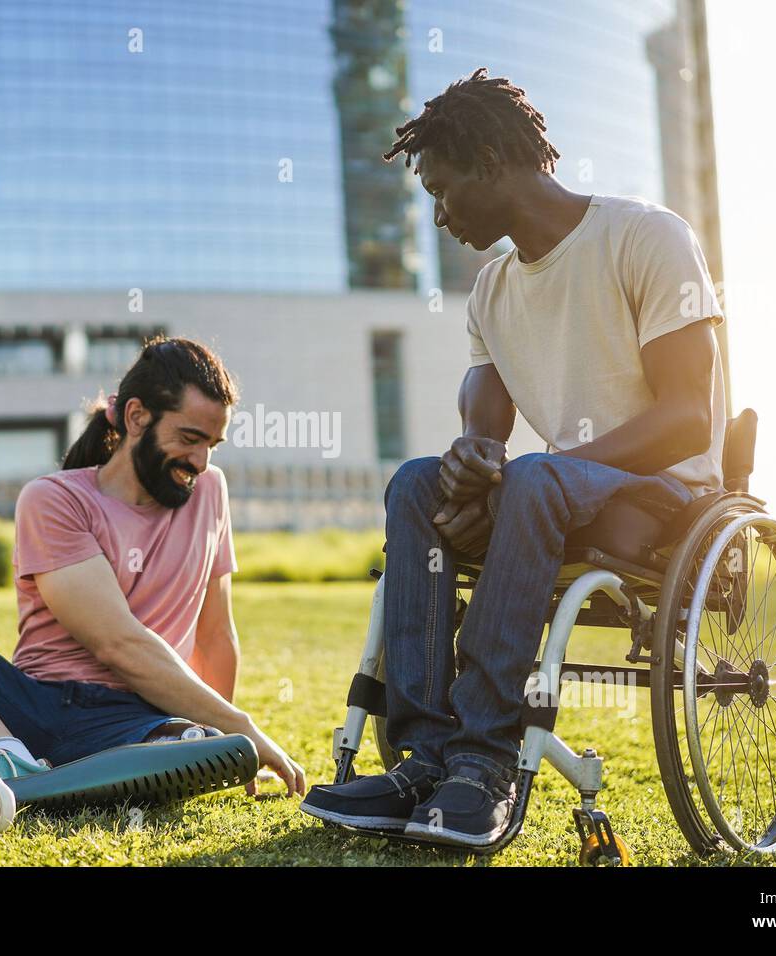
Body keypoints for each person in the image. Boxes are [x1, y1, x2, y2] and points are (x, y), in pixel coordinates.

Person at [302, 68, 725, 850]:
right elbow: (484, 415)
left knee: (537, 477)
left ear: (492, 159)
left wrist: (527, 476)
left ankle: (482, 764)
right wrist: (474, 459)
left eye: (442, 188)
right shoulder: (492, 287)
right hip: (560, 492)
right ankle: (425, 756)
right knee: (416, 483)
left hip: (668, 497)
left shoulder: (646, 235)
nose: (436, 215)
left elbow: (687, 418)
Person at [0, 337, 306, 835]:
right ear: (137, 418)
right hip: (24, 709)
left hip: (136, 720)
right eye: (189, 438)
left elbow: (218, 634)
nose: (199, 462)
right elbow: (116, 643)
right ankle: (6, 759)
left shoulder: (209, 493)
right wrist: (244, 730)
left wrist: (217, 740)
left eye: (210, 446)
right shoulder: (53, 499)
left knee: (173, 741)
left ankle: (28, 787)